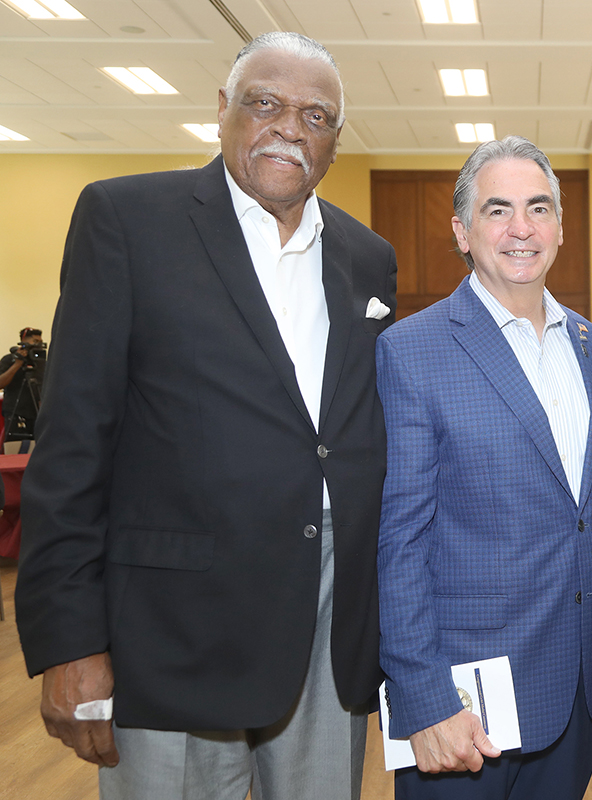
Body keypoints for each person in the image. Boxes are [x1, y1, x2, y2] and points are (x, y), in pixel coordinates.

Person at [15, 31, 397, 800]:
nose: (290, 126)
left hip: (325, 626)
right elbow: (72, 444)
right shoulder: (127, 220)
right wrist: (70, 640)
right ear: (222, 110)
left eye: (316, 116)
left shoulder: (367, 257)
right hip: (171, 633)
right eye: (265, 103)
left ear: (334, 142)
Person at [376, 136, 592, 800]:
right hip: (465, 712)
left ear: (561, 228)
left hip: (578, 692)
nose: (521, 229)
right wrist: (422, 695)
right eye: (497, 211)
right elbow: (399, 539)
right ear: (461, 230)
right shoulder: (411, 350)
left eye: (538, 209)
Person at [0, 326, 45, 444]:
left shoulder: (41, 363)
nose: (38, 345)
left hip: (38, 415)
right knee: (16, 452)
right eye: (35, 342)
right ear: (23, 342)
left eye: (40, 342)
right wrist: (17, 364)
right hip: (17, 414)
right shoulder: (9, 360)